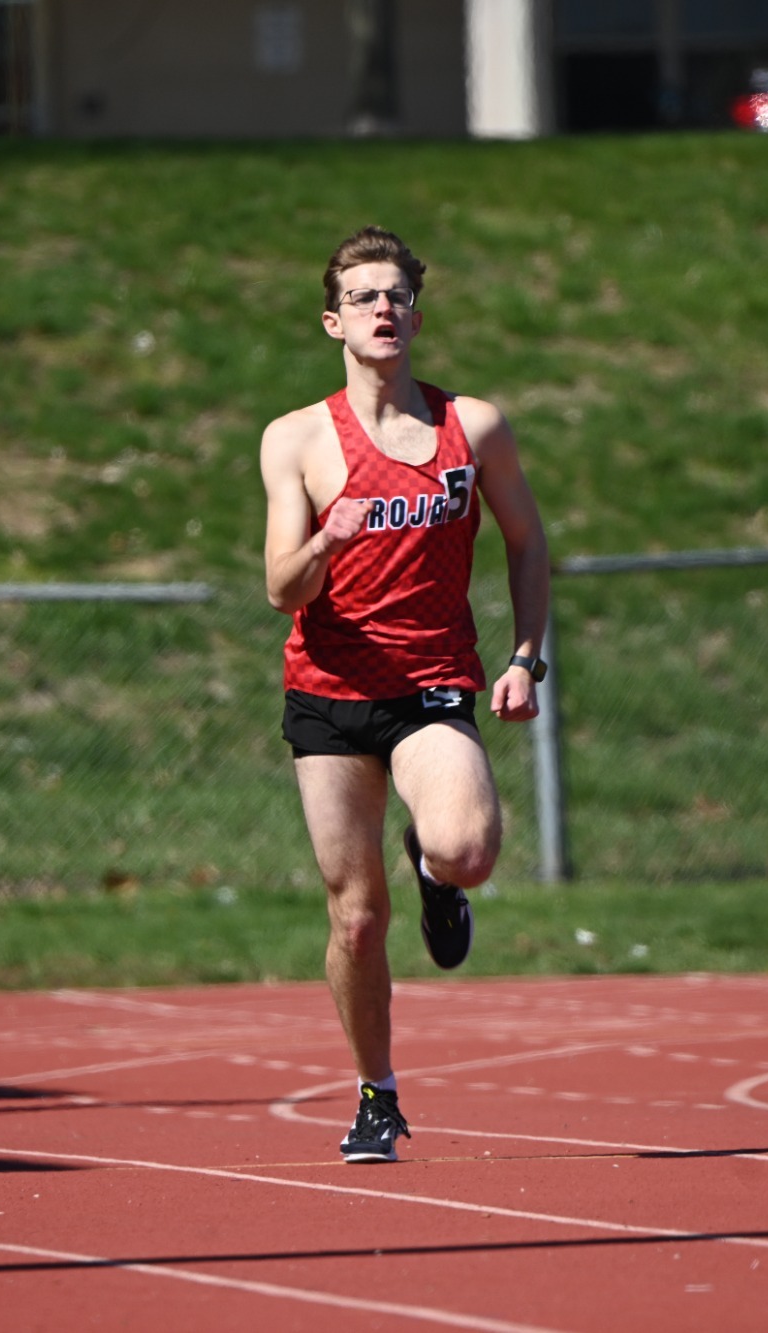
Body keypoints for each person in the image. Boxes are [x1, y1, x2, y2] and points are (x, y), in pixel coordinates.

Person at [260, 227, 552, 1163]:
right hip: (331, 694)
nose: (384, 309)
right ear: (333, 320)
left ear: (416, 313)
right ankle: (376, 1093)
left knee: (466, 847)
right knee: (355, 915)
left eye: (398, 295)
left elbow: (526, 540)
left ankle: (434, 872)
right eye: (364, 297)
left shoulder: (475, 424)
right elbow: (281, 588)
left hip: (432, 684)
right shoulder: (297, 438)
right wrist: (327, 540)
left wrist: (525, 657)